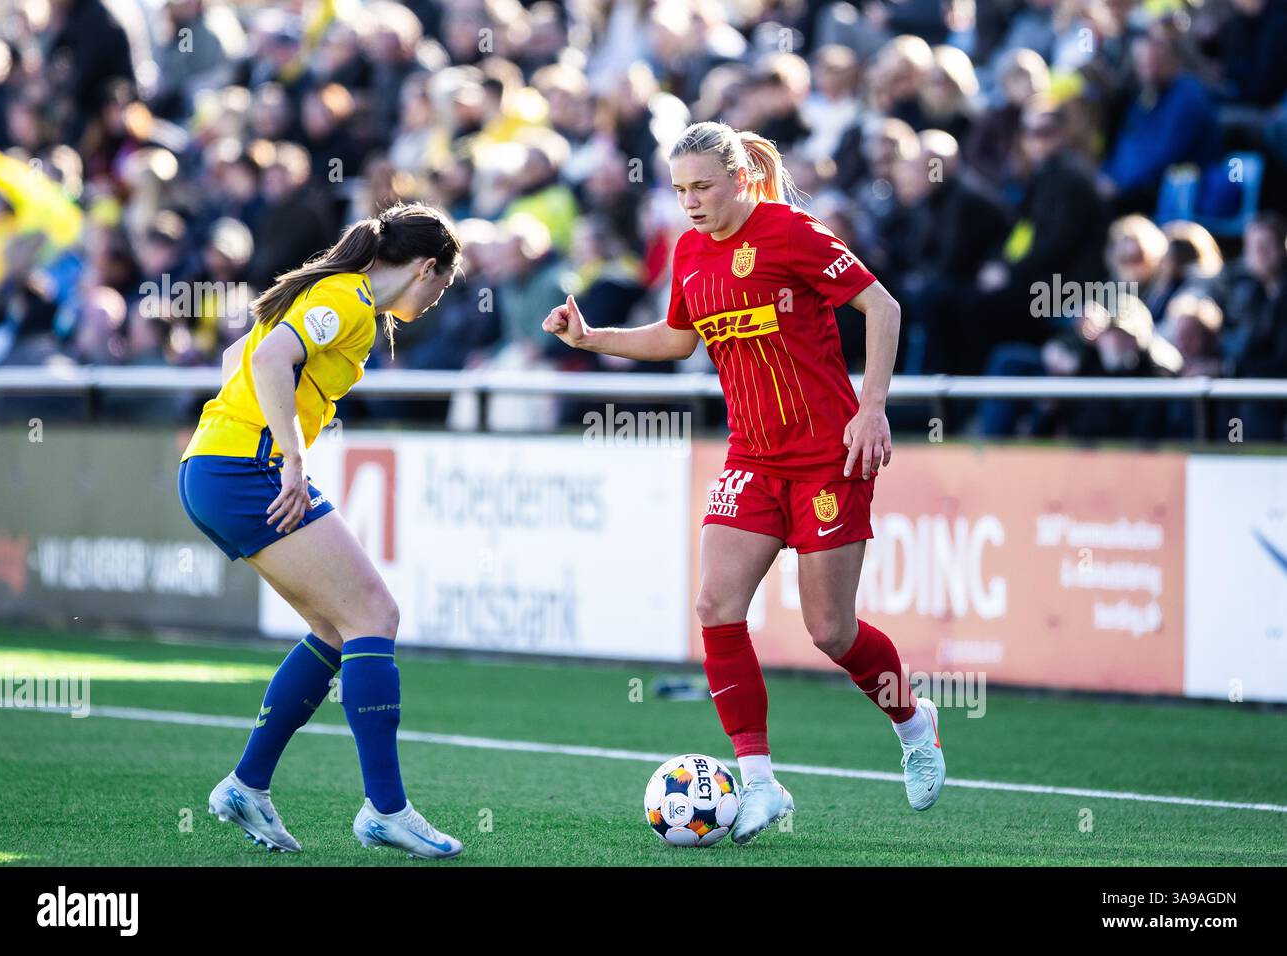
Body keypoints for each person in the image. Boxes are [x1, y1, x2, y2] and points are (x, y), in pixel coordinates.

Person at [543, 122, 944, 845]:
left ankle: (914, 724)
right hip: (751, 457)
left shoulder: (791, 233)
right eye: (679, 191)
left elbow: (882, 306)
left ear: (737, 179)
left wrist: (873, 408)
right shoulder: (690, 251)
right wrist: (593, 338)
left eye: (702, 187)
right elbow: (677, 337)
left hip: (828, 453)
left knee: (831, 631)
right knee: (714, 604)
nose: (690, 203)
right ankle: (759, 783)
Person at [178, 201, 465, 859]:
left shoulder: (335, 295)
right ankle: (386, 809)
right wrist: (289, 457)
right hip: (245, 469)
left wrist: (246, 435)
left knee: (340, 629)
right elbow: (271, 359)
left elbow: (237, 354)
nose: (437, 299)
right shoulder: (350, 301)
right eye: (441, 286)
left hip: (220, 465)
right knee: (374, 614)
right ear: (424, 268)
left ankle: (248, 785)